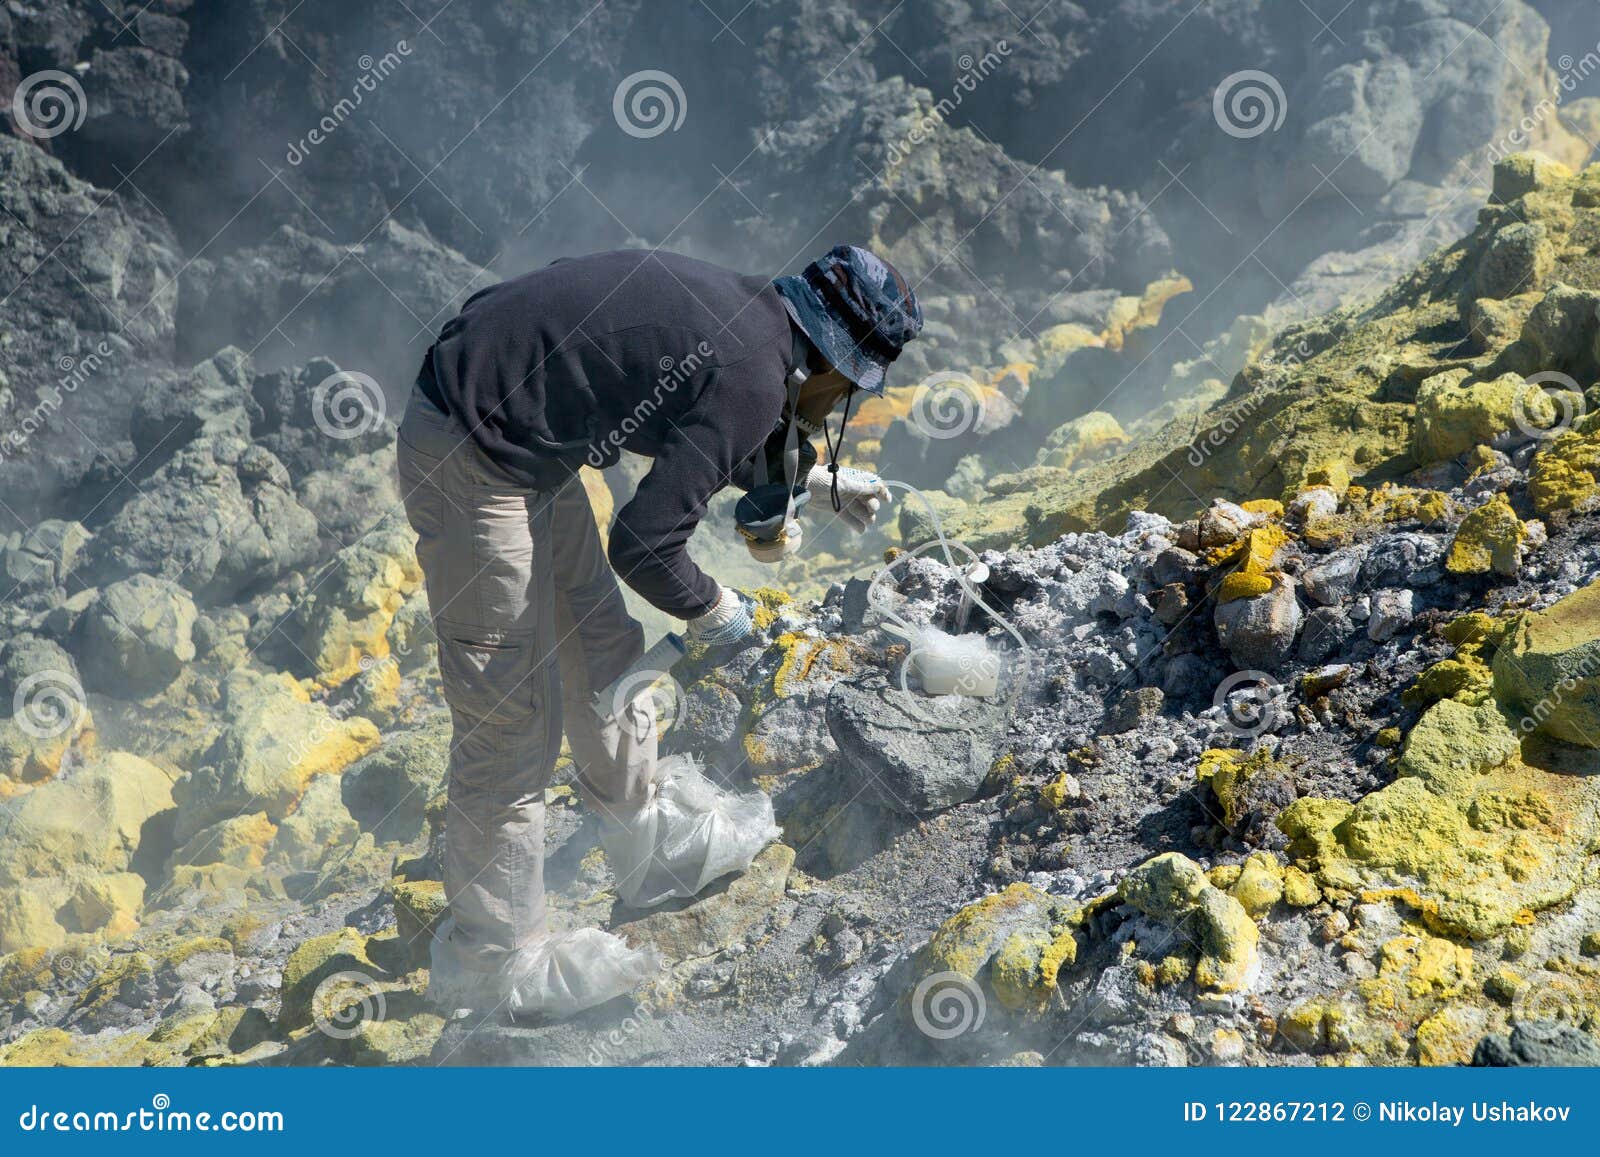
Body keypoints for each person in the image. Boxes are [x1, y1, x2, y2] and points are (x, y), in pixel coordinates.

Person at [395, 244, 923, 1018]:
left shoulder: (754, 320)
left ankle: (646, 840)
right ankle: (496, 963)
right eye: (853, 385)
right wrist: (714, 608)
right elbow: (643, 541)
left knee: (600, 643)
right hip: (470, 449)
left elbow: (700, 419)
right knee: (509, 723)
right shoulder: (753, 368)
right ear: (830, 360)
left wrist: (814, 478)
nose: (848, 403)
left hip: (520, 436)